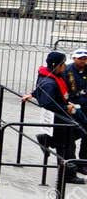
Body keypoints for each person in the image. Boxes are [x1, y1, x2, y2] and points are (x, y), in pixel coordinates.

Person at [30, 50, 83, 183]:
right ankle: (68, 175)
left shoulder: (50, 76)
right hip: (60, 118)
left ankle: (47, 140)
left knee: (78, 131)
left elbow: (40, 91)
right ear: (56, 65)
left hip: (62, 115)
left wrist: (32, 94)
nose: (65, 66)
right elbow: (47, 103)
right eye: (62, 64)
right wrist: (66, 107)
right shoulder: (50, 82)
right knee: (67, 146)